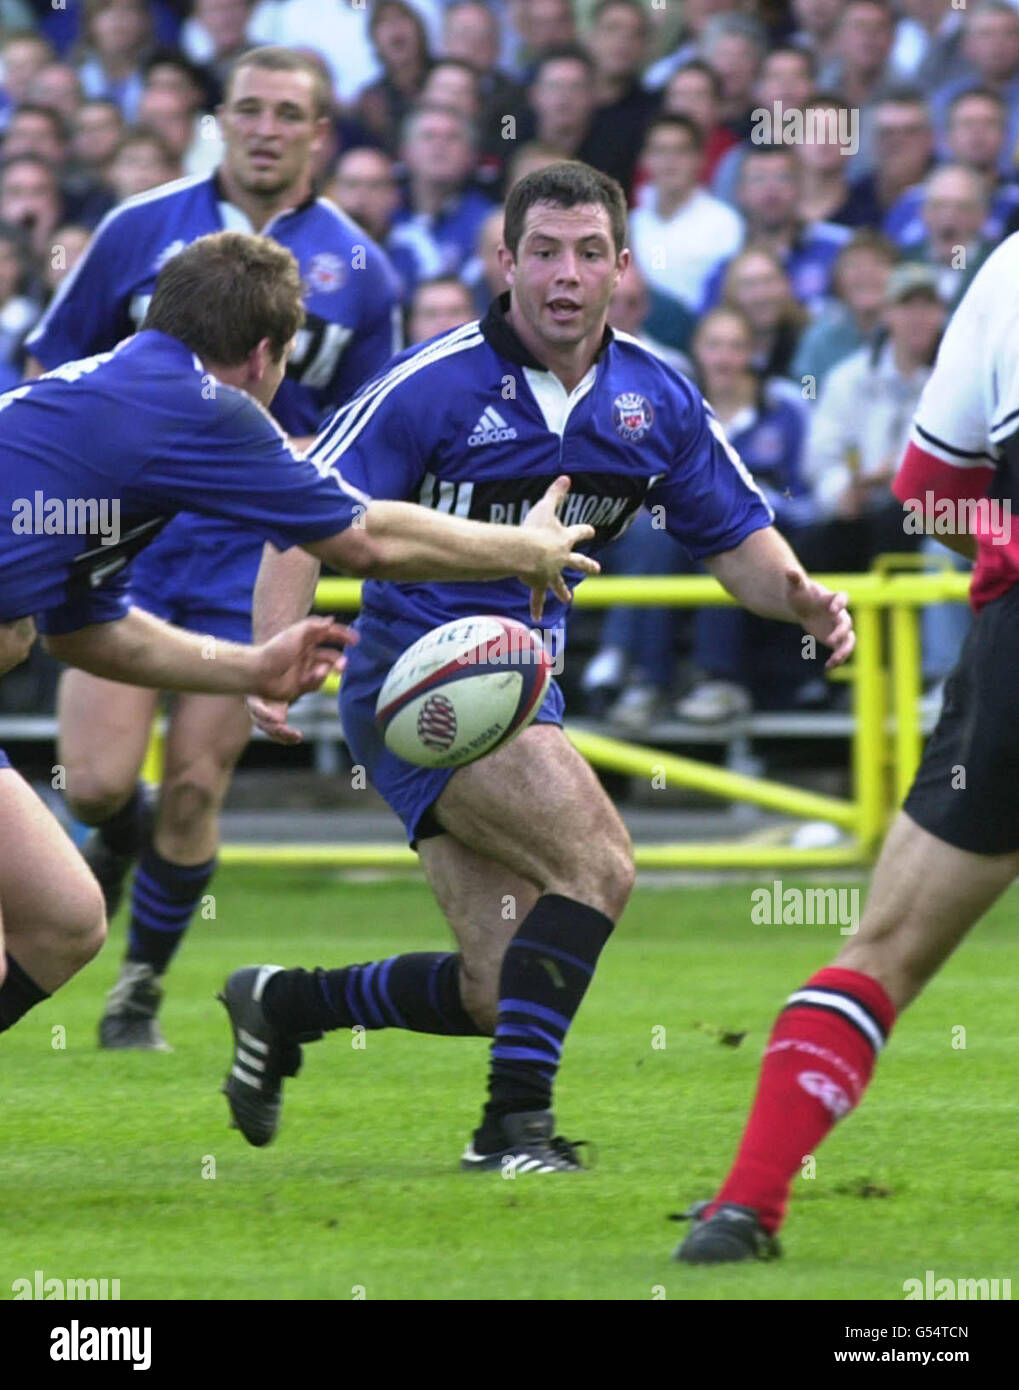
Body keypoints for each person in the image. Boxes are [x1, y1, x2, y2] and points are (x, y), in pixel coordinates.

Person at [231, 161, 855, 1172]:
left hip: (519, 686)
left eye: (587, 253)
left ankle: (282, 1001)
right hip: (415, 683)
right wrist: (271, 656)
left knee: (494, 983)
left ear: (621, 268)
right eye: (544, 252)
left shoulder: (654, 398)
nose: (564, 275)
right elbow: (302, 520)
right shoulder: (429, 388)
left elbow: (734, 535)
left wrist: (801, 598)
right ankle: (510, 1130)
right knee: (600, 863)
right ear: (504, 261)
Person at [0, 227, 595, 1050]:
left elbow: (84, 634)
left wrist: (253, 664)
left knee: (62, 919)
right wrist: (522, 549)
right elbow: (362, 539)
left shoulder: (115, 397)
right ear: (263, 354)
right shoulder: (202, 408)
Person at [23, 46, 406, 1053]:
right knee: (99, 782)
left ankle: (137, 993)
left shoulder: (364, 270)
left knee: (197, 781)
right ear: (221, 119)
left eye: (289, 111)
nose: (266, 127)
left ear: (321, 133)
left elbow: (373, 431)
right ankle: (106, 854)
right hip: (119, 538)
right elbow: (54, 365)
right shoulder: (139, 227)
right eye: (249, 108)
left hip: (257, 544)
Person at [675, 227, 1019, 1265]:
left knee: (883, 949)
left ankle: (742, 1207)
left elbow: (924, 483)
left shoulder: (1006, 266)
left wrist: (998, 550)